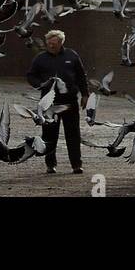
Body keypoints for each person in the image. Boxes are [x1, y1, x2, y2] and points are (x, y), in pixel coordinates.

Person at [26, 29, 89, 174]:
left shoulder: (72, 56)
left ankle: (76, 164)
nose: (51, 46)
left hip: (70, 102)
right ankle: (50, 164)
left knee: (73, 134)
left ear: (61, 43)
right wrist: (39, 84)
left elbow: (81, 76)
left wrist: (85, 94)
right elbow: (31, 75)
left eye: (53, 43)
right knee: (49, 134)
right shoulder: (40, 58)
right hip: (49, 104)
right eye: (48, 43)